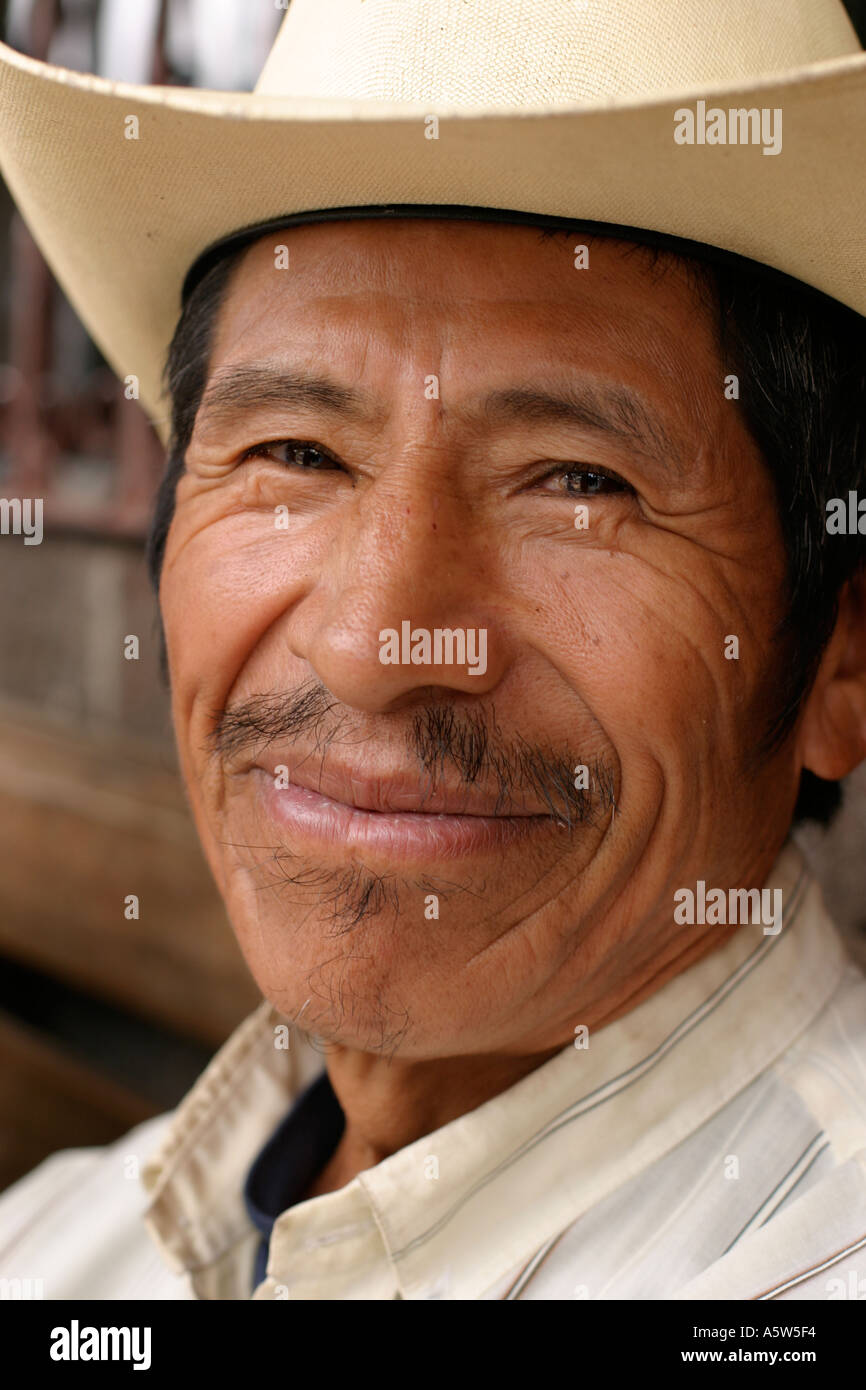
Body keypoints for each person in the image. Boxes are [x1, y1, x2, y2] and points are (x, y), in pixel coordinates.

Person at [0, 0, 865, 1301]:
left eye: (576, 480)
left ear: (841, 657)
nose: (370, 641)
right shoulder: (66, 1242)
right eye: (295, 453)